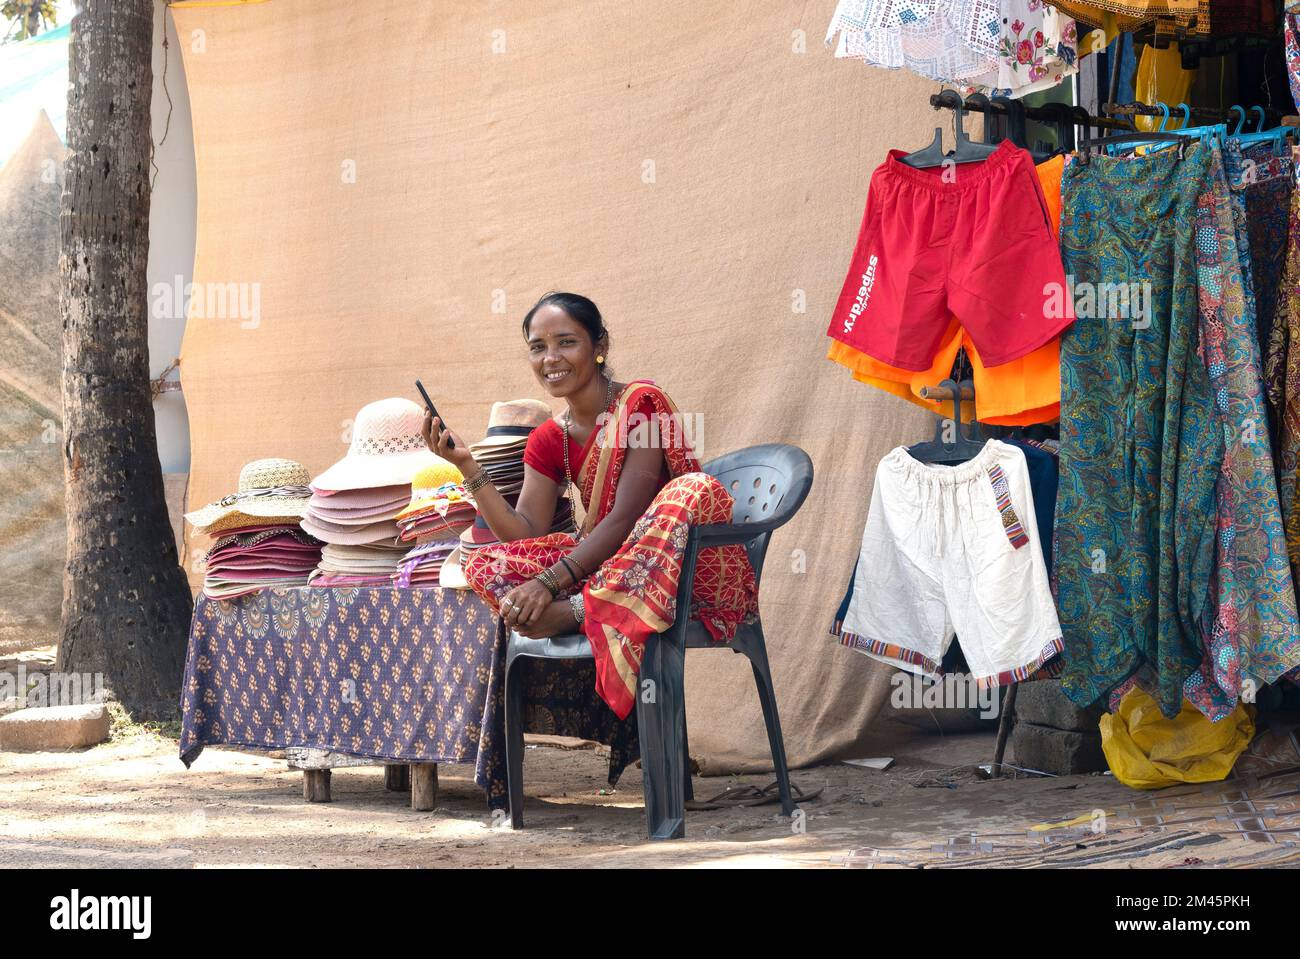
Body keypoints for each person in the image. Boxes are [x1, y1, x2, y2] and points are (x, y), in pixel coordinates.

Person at [423, 291, 757, 718]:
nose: (551, 358)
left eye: (566, 342)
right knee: (485, 564)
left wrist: (548, 585)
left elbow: (627, 516)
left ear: (599, 348)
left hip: (680, 571)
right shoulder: (549, 437)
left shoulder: (641, 405)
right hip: (613, 570)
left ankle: (579, 611)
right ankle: (598, 605)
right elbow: (526, 531)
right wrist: (466, 465)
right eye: (537, 347)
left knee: (688, 490)